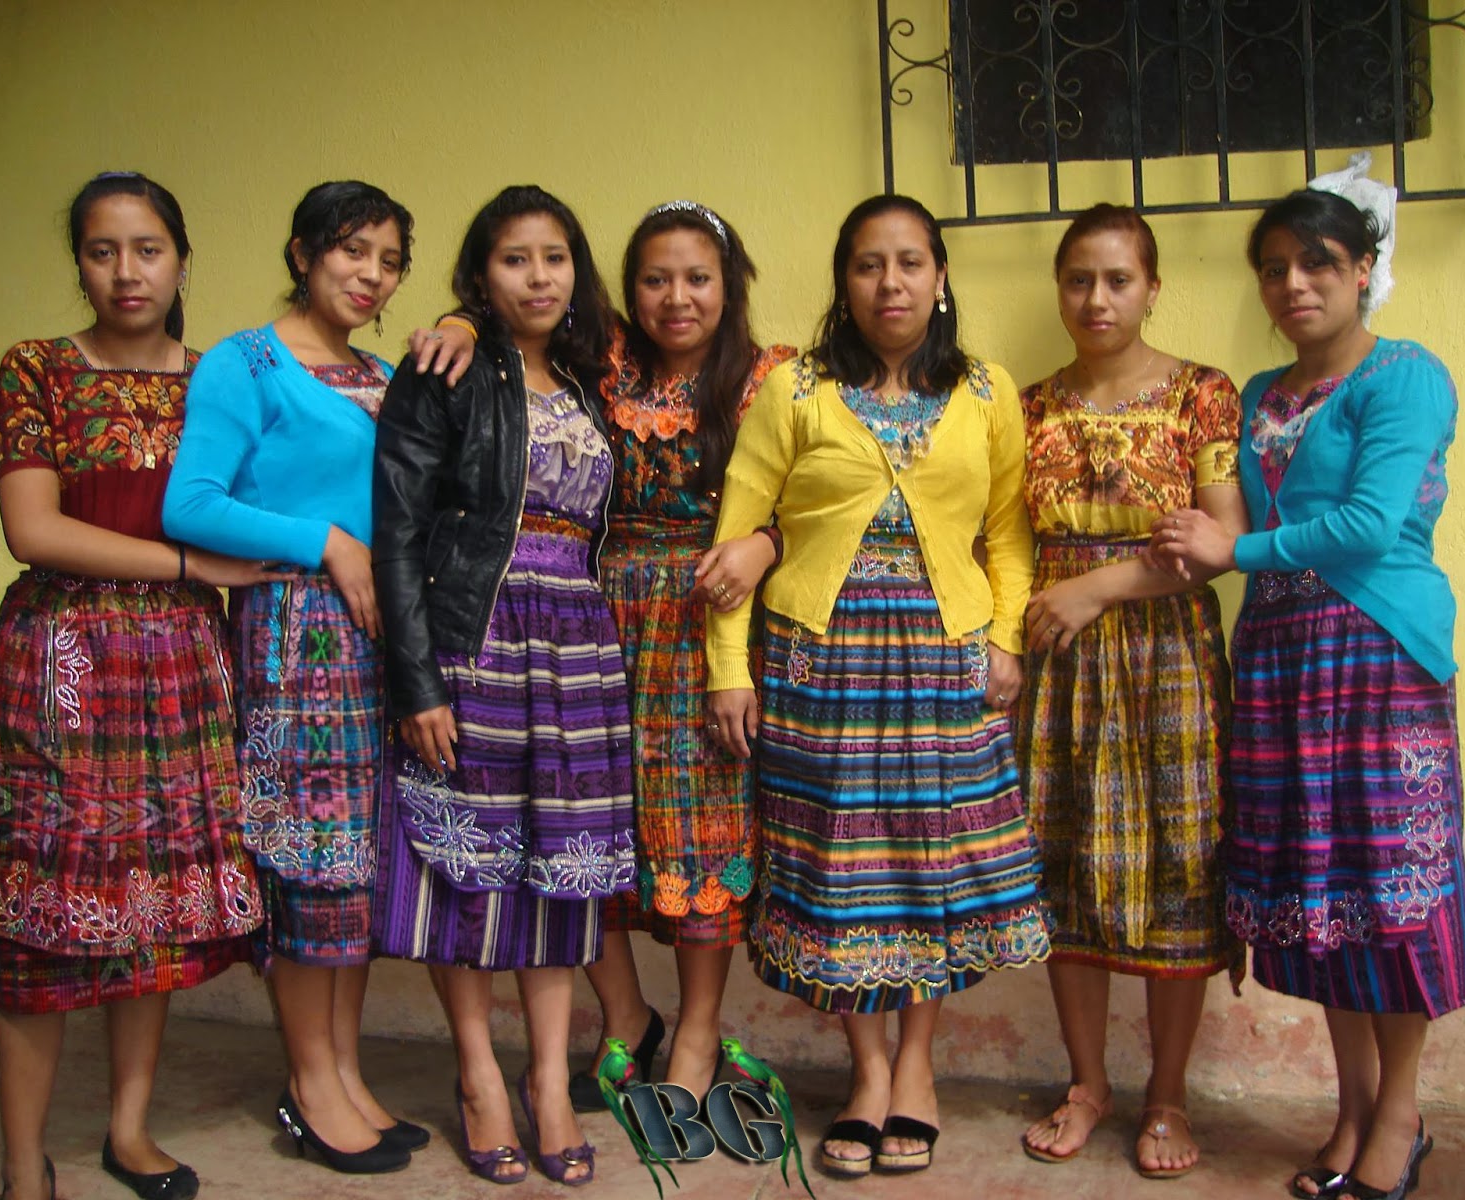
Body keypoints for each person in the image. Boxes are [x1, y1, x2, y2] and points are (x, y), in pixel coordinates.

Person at [409, 201, 793, 1109]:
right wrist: (461, 318)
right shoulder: (604, 360)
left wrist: (765, 543)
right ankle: (625, 1014)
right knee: (580, 822)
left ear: (728, 287)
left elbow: (817, 497)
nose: (676, 298)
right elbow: (513, 322)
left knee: (702, 832)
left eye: (698, 278)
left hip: (710, 625)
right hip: (590, 621)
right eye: (655, 279)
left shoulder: (769, 380)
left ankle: (696, 1030)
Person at [705, 194, 1051, 1179]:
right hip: (823, 662)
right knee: (835, 864)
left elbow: (1013, 533)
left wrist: (1008, 639)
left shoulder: (987, 390)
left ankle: (919, 1070)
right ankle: (866, 1073)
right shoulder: (794, 390)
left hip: (946, 659)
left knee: (927, 864)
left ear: (939, 276)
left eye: (908, 262)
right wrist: (729, 669)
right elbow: (739, 532)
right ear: (843, 281)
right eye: (867, 264)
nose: (889, 283)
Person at [1152, 187, 1465, 1200]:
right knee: (1327, 895)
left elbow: (1373, 525)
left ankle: (1400, 1114)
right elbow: (1223, 513)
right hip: (1283, 659)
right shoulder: (1260, 393)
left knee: (1389, 891)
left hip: (1380, 653)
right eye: (1275, 267)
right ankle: (1347, 1110)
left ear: (1361, 271)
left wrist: (1236, 547)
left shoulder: (1405, 376)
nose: (1293, 284)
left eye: (1319, 264)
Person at [0, 171, 270, 1200]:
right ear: (79, 262)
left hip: (184, 665)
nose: (125, 271)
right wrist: (186, 567)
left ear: (181, 258)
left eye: (147, 249)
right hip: (68, 663)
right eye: (102, 250)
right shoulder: (37, 369)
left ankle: (128, 1134)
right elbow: (33, 529)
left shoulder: (222, 377)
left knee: (156, 910)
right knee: (45, 904)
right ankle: (19, 1162)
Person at [373, 184, 634, 1187]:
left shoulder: (588, 378)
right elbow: (397, 532)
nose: (539, 276)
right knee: (466, 873)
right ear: (480, 275)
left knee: (561, 873)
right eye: (515, 258)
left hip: (576, 646)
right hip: (475, 637)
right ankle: (480, 1076)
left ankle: (553, 1082)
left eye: (555, 257)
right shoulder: (445, 370)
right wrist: (416, 679)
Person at [162, 181, 420, 1174]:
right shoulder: (246, 363)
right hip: (298, 636)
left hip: (375, 642)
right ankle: (311, 1086)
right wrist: (326, 543)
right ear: (306, 250)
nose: (370, 274)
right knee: (310, 860)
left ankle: (345, 1073)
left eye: (389, 259)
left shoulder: (387, 372)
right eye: (352, 251)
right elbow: (192, 504)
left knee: (355, 867)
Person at [1014, 204, 1247, 1179]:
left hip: (1166, 660)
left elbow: (1221, 540)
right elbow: (1003, 540)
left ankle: (1164, 1094)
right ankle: (1086, 1083)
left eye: (1117, 279)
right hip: (1059, 667)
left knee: (1175, 866)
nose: (1096, 298)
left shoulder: (1203, 396)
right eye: (1079, 279)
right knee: (1059, 859)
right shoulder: (1023, 407)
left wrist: (1096, 586)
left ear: (1152, 287)